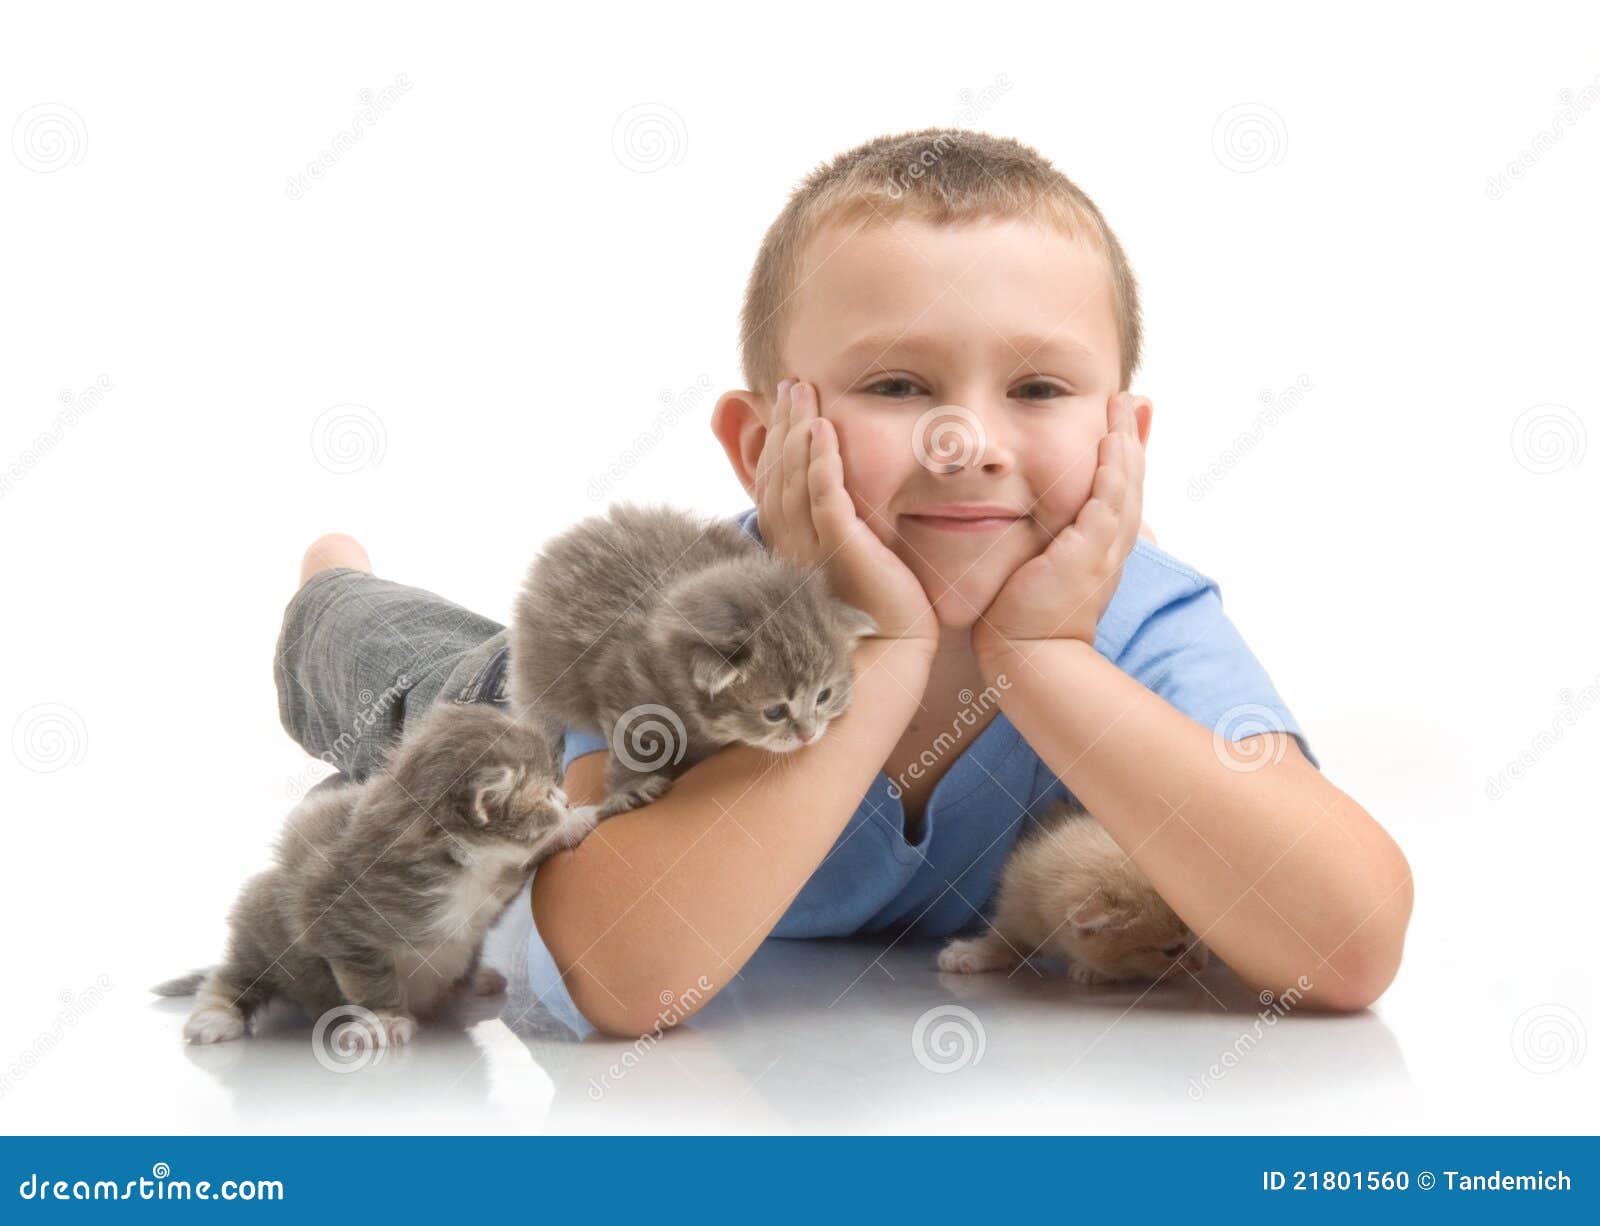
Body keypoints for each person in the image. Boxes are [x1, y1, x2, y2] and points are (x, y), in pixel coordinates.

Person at [276, 128, 1413, 1039]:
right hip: (507, 699)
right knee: (392, 667)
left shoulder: (1146, 621)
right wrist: (882, 656)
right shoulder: (670, 625)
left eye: (1038, 387)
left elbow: (1350, 943)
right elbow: (625, 977)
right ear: (759, 442)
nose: (967, 439)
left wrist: (1050, 660)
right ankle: (336, 579)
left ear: (1126, 436)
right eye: (898, 382)